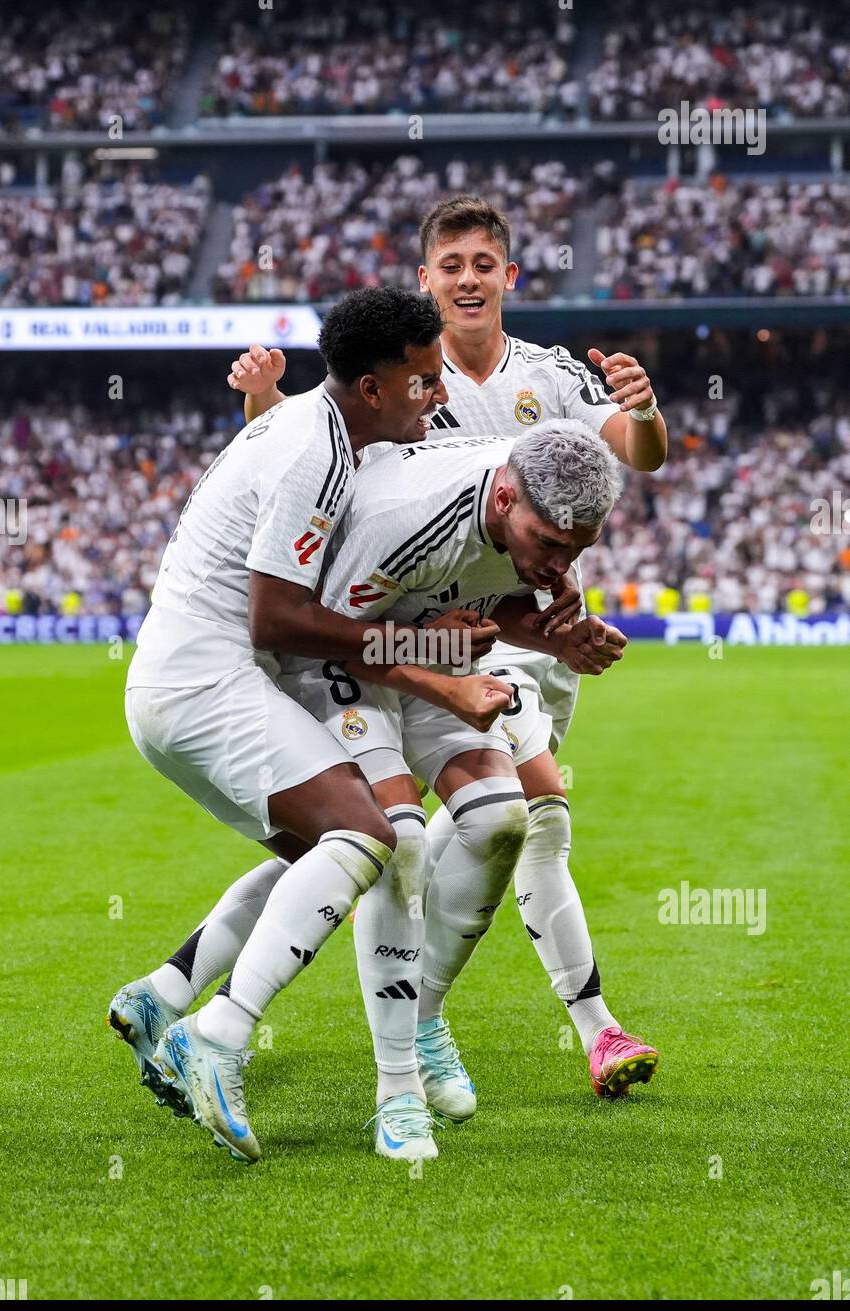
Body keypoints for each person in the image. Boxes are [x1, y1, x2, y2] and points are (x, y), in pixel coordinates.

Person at [226, 195, 667, 1102]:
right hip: (430, 635)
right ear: (425, 281)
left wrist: (646, 411)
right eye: (450, 265)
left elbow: (638, 453)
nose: (468, 279)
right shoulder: (409, 377)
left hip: (526, 633)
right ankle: (552, 1027)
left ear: (509, 276)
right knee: (519, 815)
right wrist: (263, 404)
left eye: (483, 264)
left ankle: (185, 984)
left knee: (364, 839)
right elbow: (317, 474)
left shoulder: (546, 377)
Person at [107, 286, 511, 1163]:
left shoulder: (313, 430)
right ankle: (214, 1039)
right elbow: (277, 619)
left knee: (317, 865)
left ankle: (163, 994)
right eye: (422, 380)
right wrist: (423, 649)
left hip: (177, 682)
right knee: (366, 837)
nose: (436, 393)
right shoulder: (316, 454)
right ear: (372, 388)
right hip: (209, 680)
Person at [280, 420, 626, 1158]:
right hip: (339, 657)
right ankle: (395, 1089)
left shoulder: (522, 528)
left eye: (578, 548)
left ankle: (422, 1016)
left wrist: (553, 636)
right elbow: (330, 635)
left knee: (504, 821)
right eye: (551, 544)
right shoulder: (403, 519)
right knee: (398, 843)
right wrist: (442, 669)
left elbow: (483, 604)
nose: (563, 565)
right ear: (504, 497)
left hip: (424, 645)